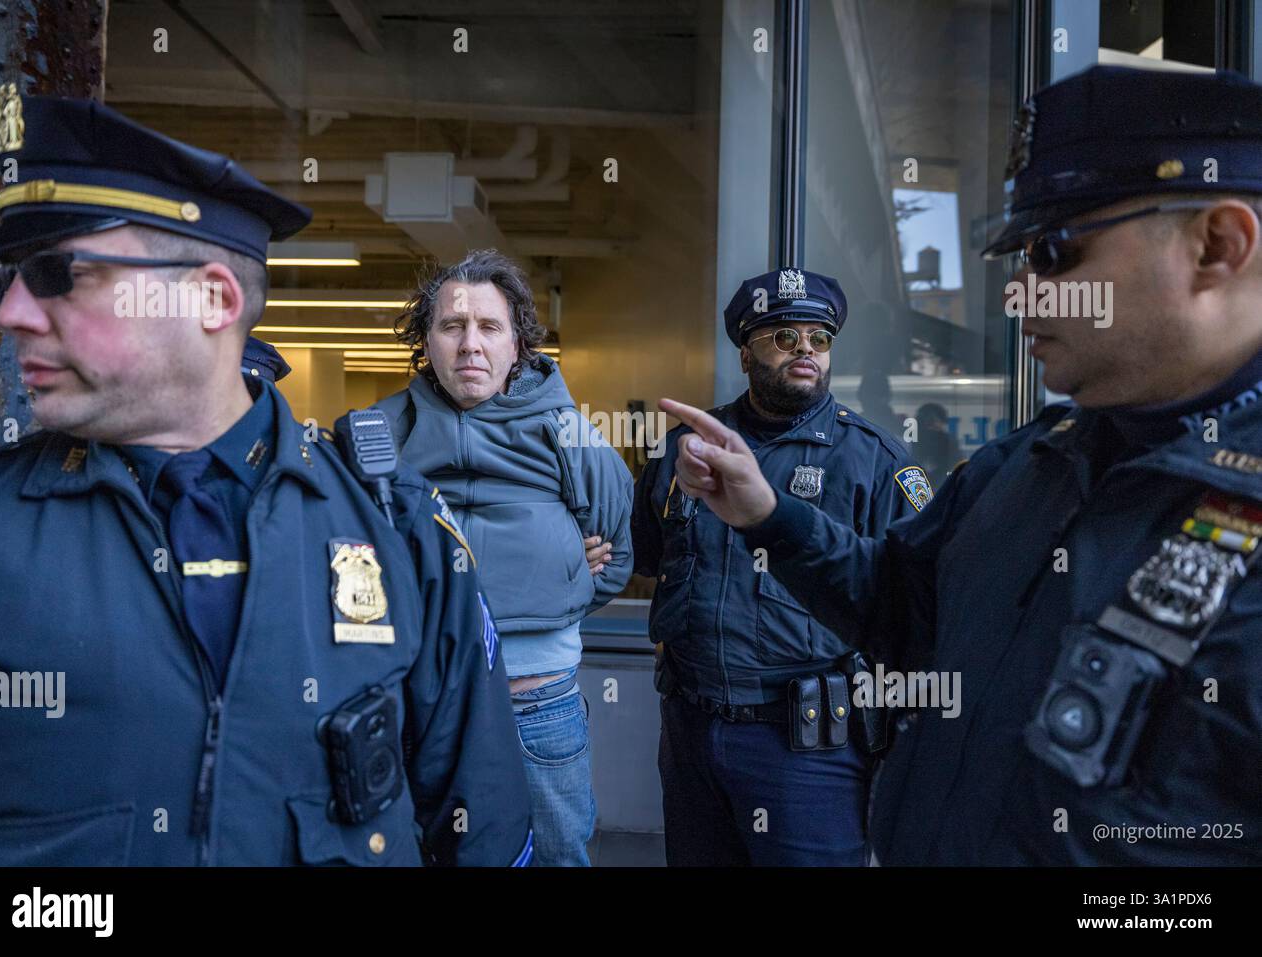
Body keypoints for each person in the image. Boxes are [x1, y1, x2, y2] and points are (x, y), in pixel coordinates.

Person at [659, 64, 1262, 865]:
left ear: (1217, 245)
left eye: (1052, 251)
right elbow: (901, 608)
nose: (1020, 295)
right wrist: (769, 515)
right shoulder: (1026, 465)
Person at [0, 93, 532, 866]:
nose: (12, 314)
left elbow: (484, 823)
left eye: (59, 272)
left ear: (212, 298)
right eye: (8, 279)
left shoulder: (398, 529)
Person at [633, 268, 931, 866]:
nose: (805, 351)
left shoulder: (875, 461)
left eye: (819, 339)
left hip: (806, 750)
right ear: (745, 353)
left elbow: (916, 606)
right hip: (690, 730)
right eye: (783, 337)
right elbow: (645, 559)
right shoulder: (684, 451)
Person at [357, 249, 634, 866]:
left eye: (489, 327)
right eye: (452, 326)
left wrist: (561, 578)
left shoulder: (572, 436)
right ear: (426, 342)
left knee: (557, 856)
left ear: (520, 345)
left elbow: (614, 553)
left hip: (535, 701)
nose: (470, 345)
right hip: (421, 704)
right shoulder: (379, 431)